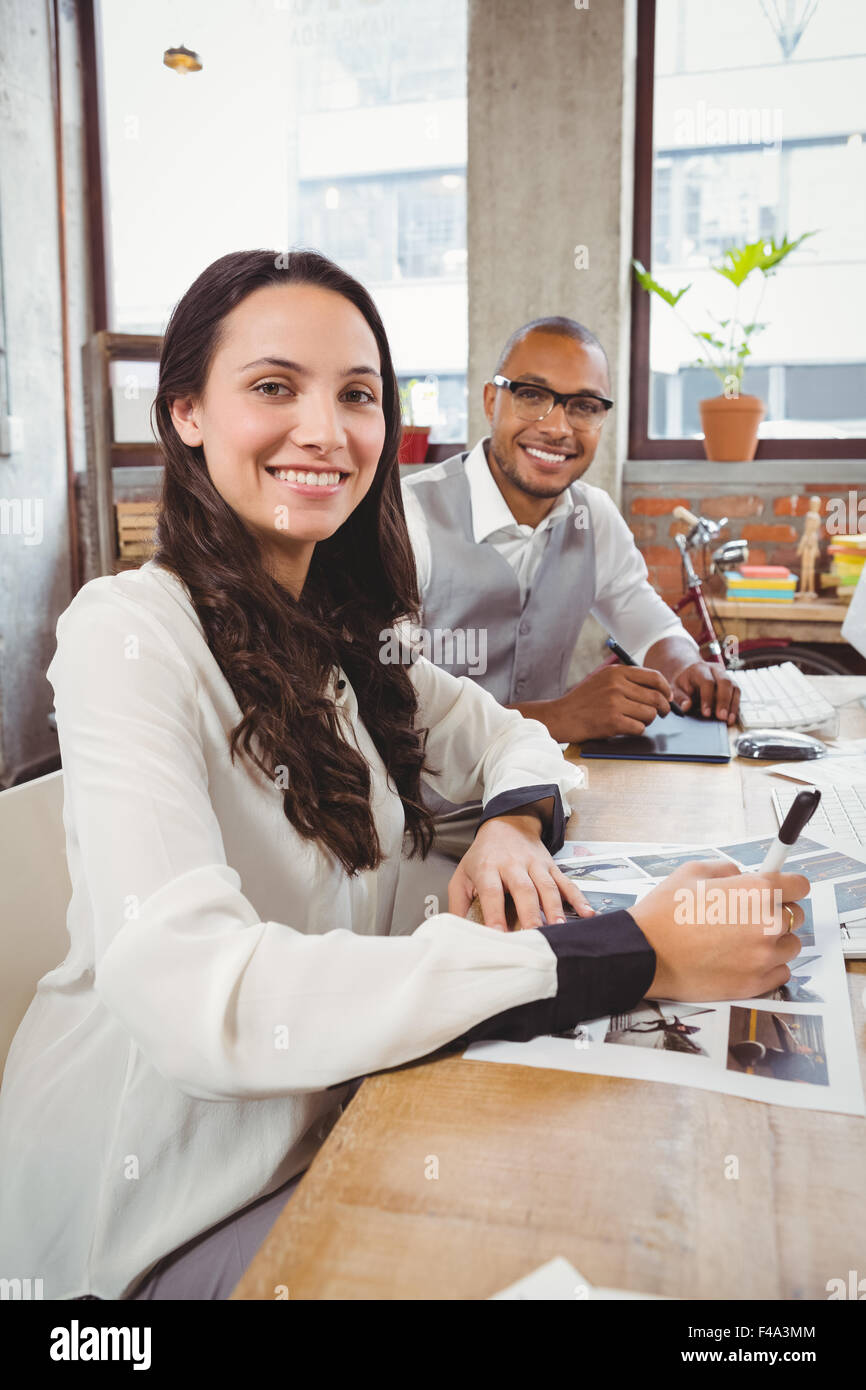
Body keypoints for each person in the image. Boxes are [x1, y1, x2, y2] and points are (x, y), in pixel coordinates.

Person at [0, 251, 806, 1302]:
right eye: (274, 387)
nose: (325, 432)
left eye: (358, 395)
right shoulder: (130, 633)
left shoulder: (341, 640)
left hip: (335, 1113)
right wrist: (621, 950)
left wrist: (512, 825)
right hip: (156, 1211)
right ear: (188, 411)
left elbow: (509, 741)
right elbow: (195, 995)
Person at [401, 316, 742, 749]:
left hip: (540, 796)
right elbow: (386, 709)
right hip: (422, 810)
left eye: (584, 406)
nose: (558, 428)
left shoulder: (592, 515)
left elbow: (648, 624)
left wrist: (688, 667)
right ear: (491, 402)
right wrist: (559, 716)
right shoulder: (407, 515)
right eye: (531, 395)